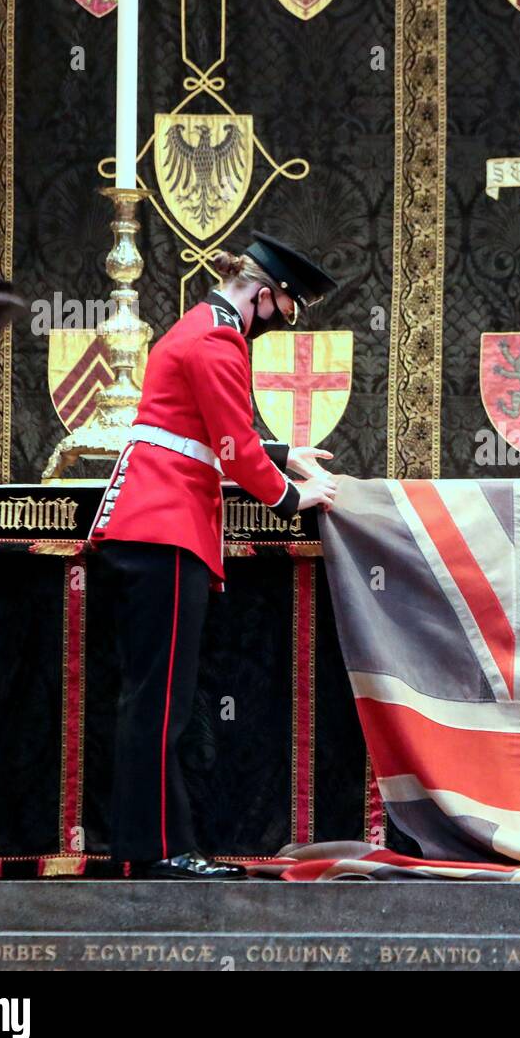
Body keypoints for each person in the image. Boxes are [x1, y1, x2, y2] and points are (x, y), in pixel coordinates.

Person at [90, 233, 340, 880]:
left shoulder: (200, 328)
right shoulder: (216, 340)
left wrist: (287, 455)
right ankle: (160, 851)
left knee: (150, 701)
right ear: (262, 296)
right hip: (164, 533)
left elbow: (204, 428)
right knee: (160, 705)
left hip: (149, 528)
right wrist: (295, 495)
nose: (272, 329)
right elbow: (232, 450)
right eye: (279, 315)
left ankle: (143, 849)